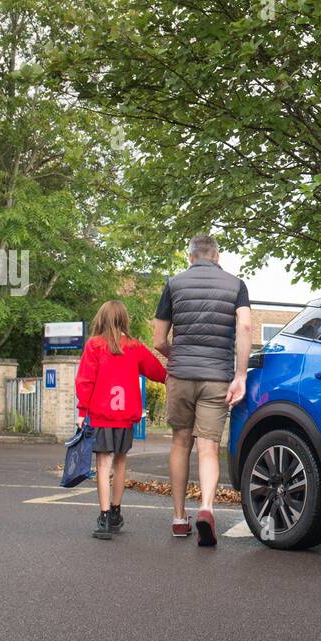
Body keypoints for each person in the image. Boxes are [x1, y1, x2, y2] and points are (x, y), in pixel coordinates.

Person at [153, 233, 251, 547]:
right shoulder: (236, 286)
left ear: (190, 257)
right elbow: (246, 327)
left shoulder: (174, 283)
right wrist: (240, 375)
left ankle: (179, 518)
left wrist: (175, 355)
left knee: (181, 443)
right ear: (218, 257)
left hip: (181, 374)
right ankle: (207, 508)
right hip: (217, 376)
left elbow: (157, 340)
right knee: (207, 447)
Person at [75, 299, 168, 539]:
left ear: (101, 319)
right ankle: (116, 512)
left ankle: (104, 517)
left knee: (103, 465)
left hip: (101, 414)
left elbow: (85, 380)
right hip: (126, 417)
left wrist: (82, 411)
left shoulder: (94, 346)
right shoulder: (135, 347)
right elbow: (158, 372)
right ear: (124, 320)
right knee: (120, 463)